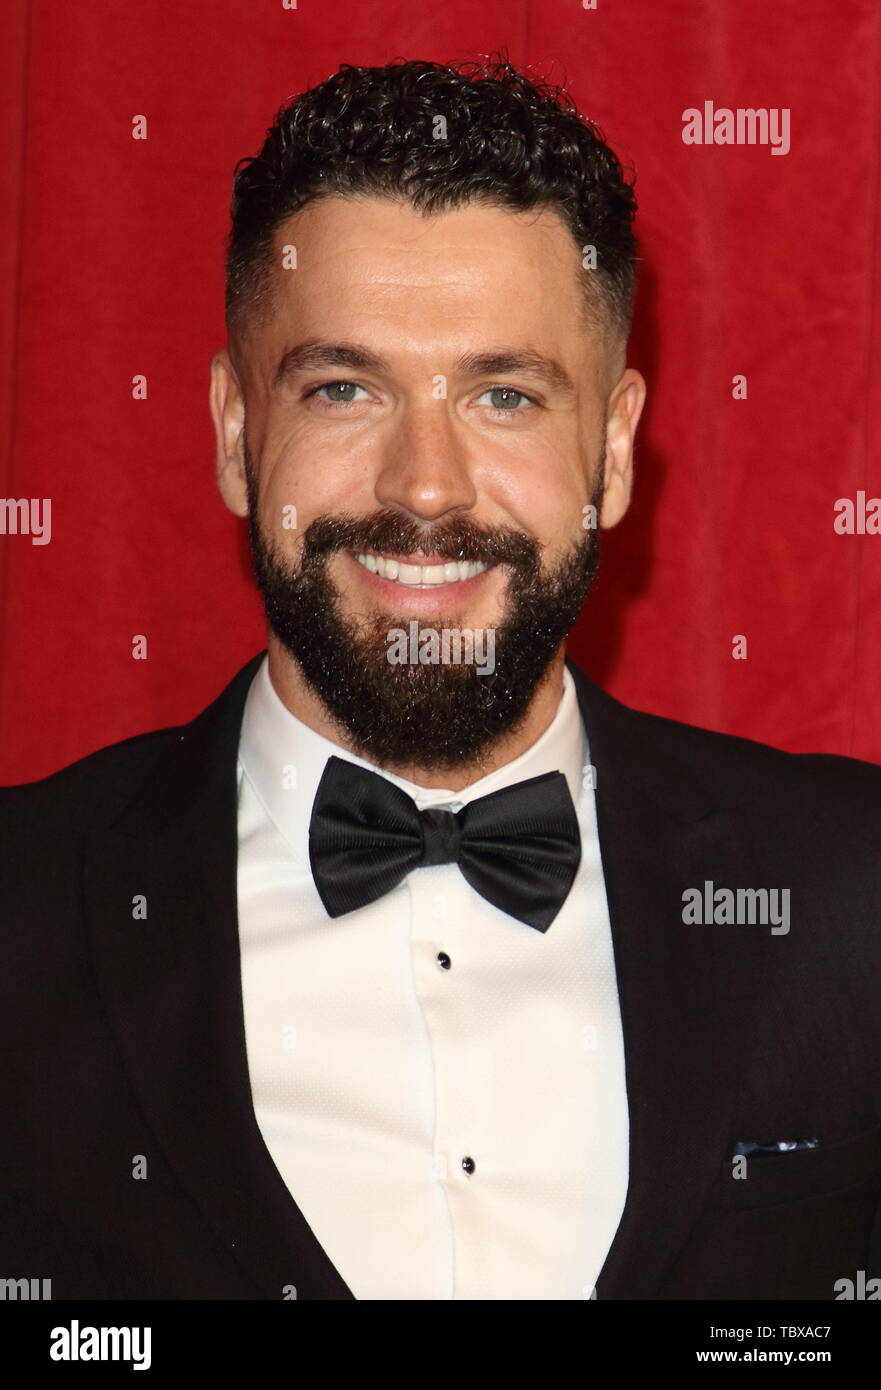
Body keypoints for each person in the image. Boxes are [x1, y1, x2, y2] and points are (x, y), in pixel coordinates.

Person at [2, 58, 880, 1302]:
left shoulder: (851, 895)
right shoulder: (23, 913)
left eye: (505, 394)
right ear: (236, 437)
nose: (425, 486)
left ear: (613, 452)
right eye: (346, 389)